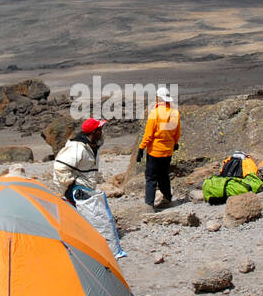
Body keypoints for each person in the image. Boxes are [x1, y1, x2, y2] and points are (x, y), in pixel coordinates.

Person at [54, 119, 126, 258]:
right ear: (95, 132)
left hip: (85, 187)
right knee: (99, 218)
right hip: (78, 188)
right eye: (100, 130)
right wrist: (71, 185)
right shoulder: (78, 148)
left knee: (85, 219)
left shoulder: (91, 146)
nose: (102, 132)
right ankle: (107, 252)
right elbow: (60, 166)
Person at [136, 86, 181, 211]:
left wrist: (141, 148)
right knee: (164, 175)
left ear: (158, 98)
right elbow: (177, 133)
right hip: (168, 150)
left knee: (151, 177)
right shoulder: (175, 113)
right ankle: (167, 198)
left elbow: (149, 134)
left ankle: (149, 204)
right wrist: (175, 143)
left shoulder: (154, 113)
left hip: (155, 151)